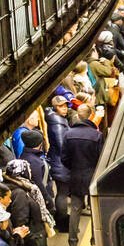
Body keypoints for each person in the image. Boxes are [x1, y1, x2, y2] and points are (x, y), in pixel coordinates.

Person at [61, 107, 103, 246]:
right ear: (91, 116)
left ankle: (72, 244)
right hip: (92, 175)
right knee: (95, 212)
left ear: (78, 117)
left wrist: (74, 168)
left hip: (75, 175)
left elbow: (64, 158)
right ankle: (95, 243)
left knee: (75, 209)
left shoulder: (69, 134)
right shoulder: (97, 136)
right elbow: (101, 159)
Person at [45, 96, 71, 231]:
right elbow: (62, 146)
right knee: (62, 193)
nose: (65, 108)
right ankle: (62, 222)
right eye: (61, 106)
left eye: (66, 105)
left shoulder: (57, 120)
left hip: (57, 161)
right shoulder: (58, 124)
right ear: (55, 107)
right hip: (61, 164)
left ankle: (61, 219)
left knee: (62, 192)